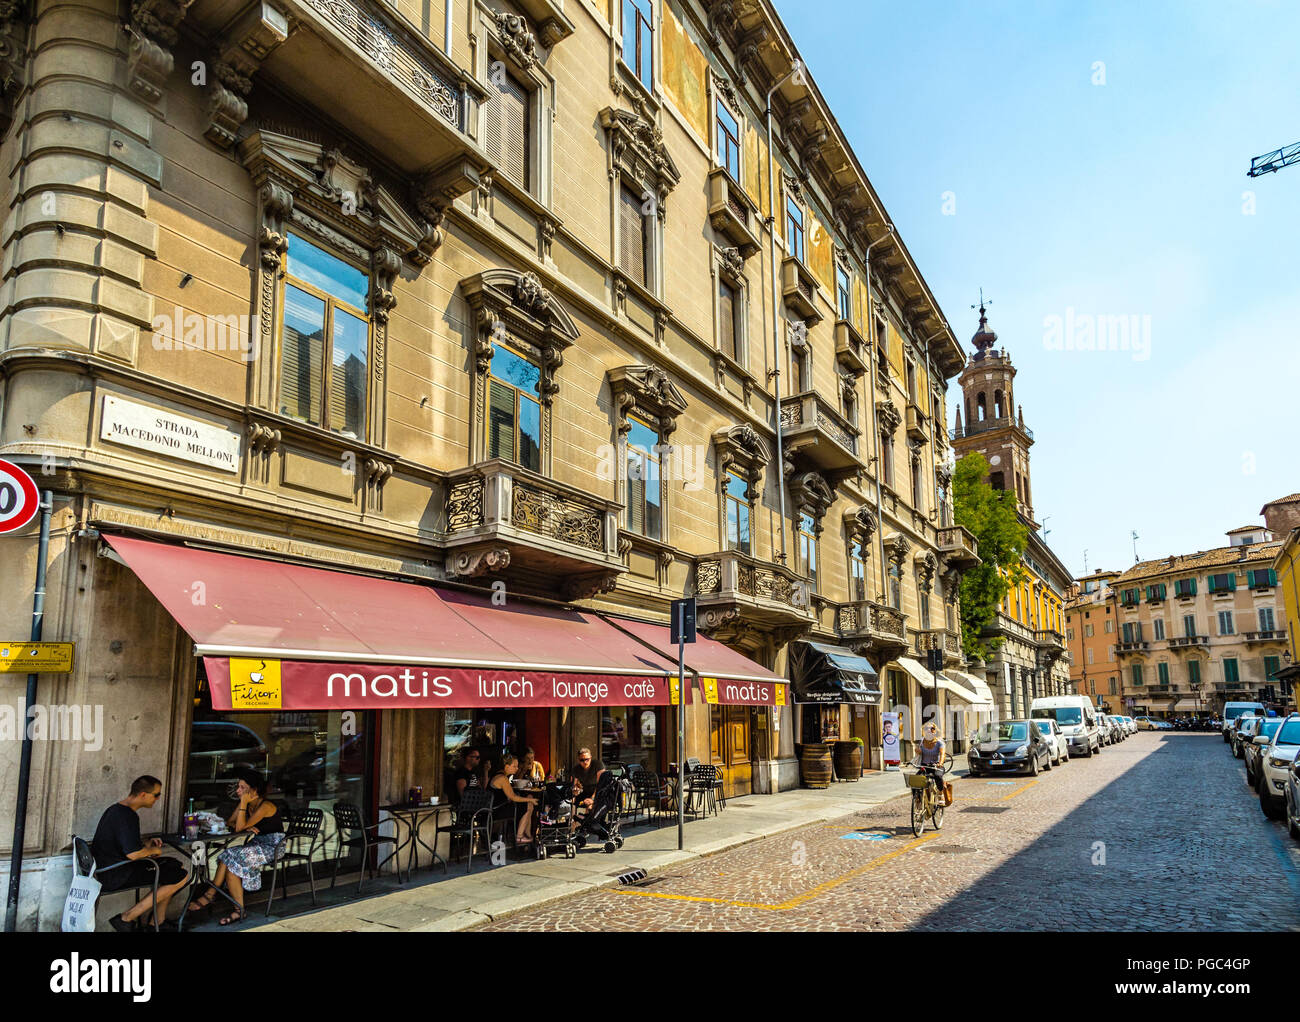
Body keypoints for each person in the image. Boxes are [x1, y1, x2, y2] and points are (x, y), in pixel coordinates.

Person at [91, 775, 190, 932]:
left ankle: (157, 921)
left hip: (107, 868)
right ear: (143, 794)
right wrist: (154, 850)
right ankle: (126, 918)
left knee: (173, 866)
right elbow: (134, 854)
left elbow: (126, 845)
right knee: (180, 875)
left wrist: (148, 844)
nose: (157, 799)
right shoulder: (127, 816)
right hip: (117, 873)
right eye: (156, 795)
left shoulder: (115, 809)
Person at [186, 771, 283, 925]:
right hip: (256, 844)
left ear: (254, 790)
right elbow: (231, 822)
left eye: (242, 788)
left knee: (229, 855)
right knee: (230, 860)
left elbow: (238, 828)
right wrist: (246, 826)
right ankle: (238, 910)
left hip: (272, 847)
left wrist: (243, 815)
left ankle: (210, 895)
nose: (238, 791)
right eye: (239, 787)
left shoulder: (265, 806)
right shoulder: (246, 804)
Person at [488, 753, 538, 847]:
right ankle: (520, 836)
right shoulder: (502, 778)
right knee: (528, 804)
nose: (516, 768)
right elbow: (513, 797)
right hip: (497, 810)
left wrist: (529, 799)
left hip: (498, 808)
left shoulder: (500, 775)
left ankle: (527, 835)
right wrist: (530, 800)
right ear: (506, 766)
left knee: (529, 800)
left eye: (517, 766)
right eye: (514, 766)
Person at [910, 722, 948, 799]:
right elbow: (918, 750)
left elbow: (942, 754)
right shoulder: (921, 741)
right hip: (924, 766)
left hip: (936, 766)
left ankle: (940, 794)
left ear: (935, 731)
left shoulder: (939, 743)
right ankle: (917, 800)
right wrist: (917, 751)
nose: (929, 730)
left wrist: (940, 763)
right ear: (924, 730)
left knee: (938, 776)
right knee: (915, 781)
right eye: (926, 728)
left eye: (932, 728)